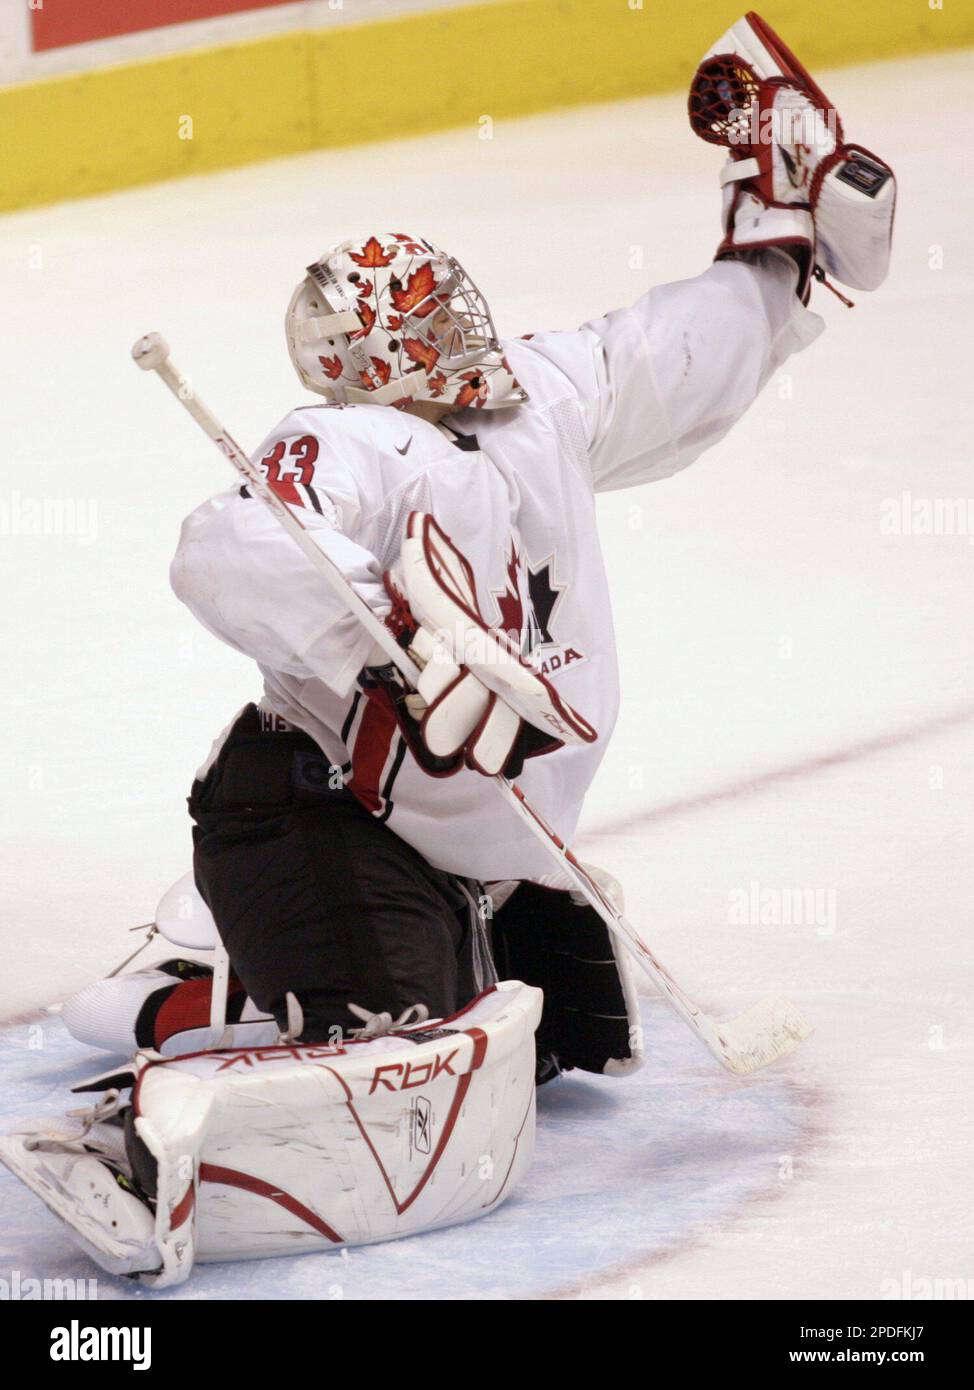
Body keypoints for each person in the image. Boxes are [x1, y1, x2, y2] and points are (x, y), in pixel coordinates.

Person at [65, 11, 895, 1081]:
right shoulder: (343, 438)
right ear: (365, 360)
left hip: (459, 842)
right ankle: (181, 996)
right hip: (319, 814)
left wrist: (777, 246)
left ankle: (296, 938)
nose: (459, 332)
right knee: (395, 1057)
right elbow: (227, 546)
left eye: (451, 303)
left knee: (543, 1047)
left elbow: (668, 356)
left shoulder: (540, 401)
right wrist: (388, 642)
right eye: (423, 322)